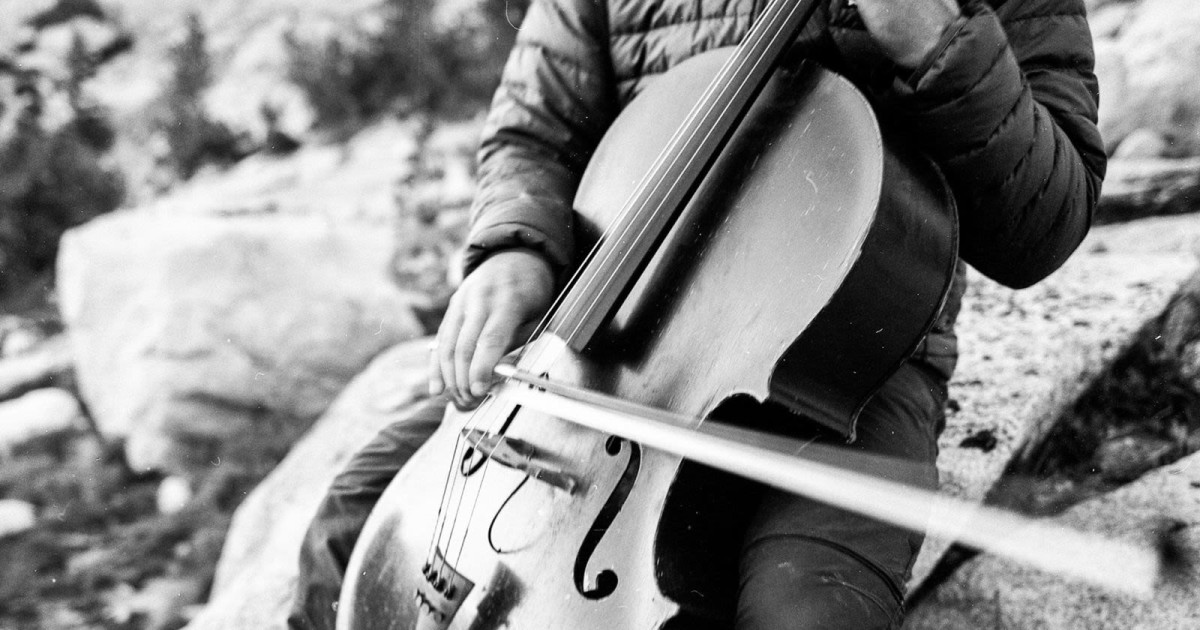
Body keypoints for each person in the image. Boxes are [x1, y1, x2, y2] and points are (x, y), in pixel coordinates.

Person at [288, 0, 1105, 628]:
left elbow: (1044, 225)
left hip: (849, 365)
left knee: (809, 612)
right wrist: (516, 249)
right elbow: (533, 131)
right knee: (352, 530)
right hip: (602, 324)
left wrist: (935, 40)